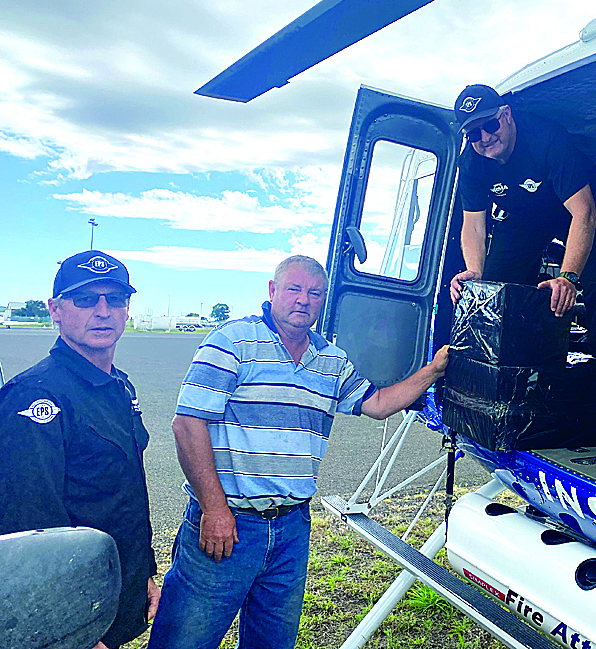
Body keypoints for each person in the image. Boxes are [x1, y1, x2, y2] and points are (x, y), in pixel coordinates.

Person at [149, 255, 448, 649]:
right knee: (185, 640)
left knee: (273, 642)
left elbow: (377, 404)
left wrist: (435, 369)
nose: (303, 300)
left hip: (291, 529)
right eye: (294, 289)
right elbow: (187, 424)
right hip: (229, 525)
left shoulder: (331, 360)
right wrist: (215, 509)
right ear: (272, 291)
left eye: (314, 293)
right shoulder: (233, 341)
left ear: (324, 301)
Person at [0, 250, 160, 649]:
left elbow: (126, 492)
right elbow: (28, 524)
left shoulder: (119, 386)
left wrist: (145, 571)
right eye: (86, 299)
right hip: (70, 615)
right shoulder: (36, 396)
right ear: (55, 310)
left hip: (116, 586)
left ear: (127, 310)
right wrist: (70, 632)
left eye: (115, 299)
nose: (103, 311)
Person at [449, 83, 596, 363]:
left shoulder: (546, 138)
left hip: (574, 208)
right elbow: (473, 225)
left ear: (506, 114)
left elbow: (584, 213)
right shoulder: (471, 163)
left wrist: (568, 278)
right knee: (494, 287)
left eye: (490, 125)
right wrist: (474, 271)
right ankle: (513, 369)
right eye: (473, 133)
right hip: (524, 216)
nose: (484, 137)